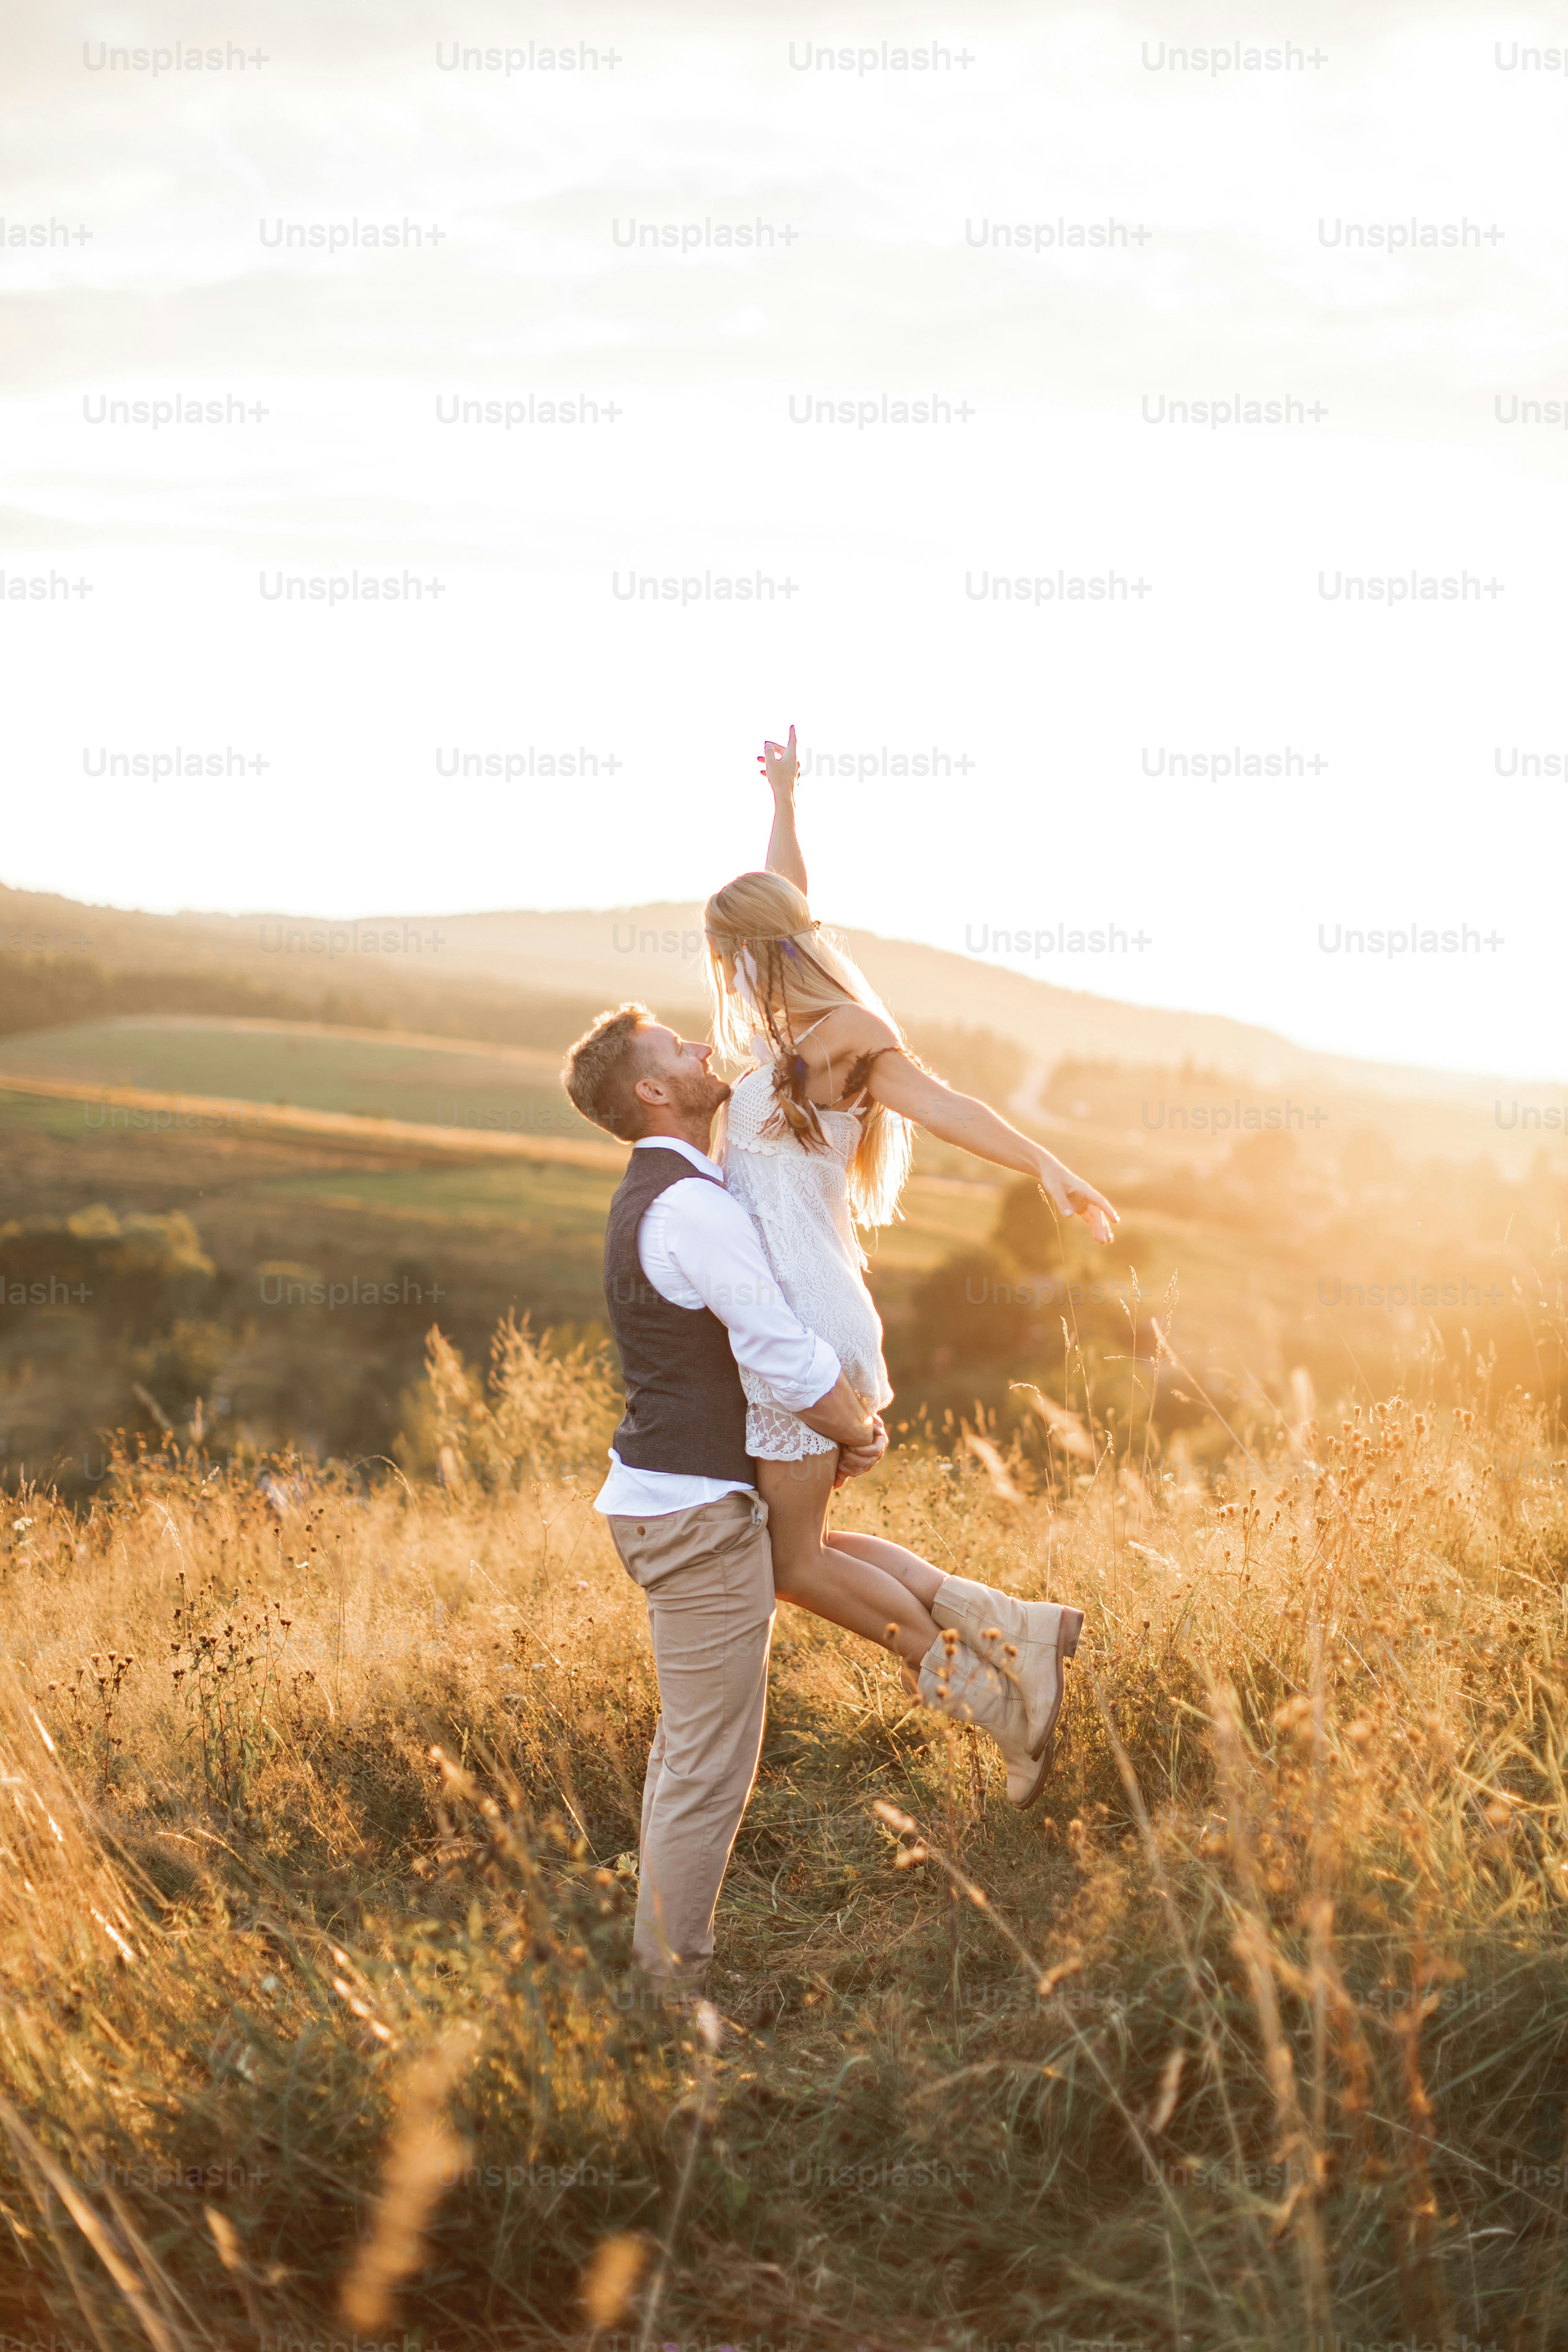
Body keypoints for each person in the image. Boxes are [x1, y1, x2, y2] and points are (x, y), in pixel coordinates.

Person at [702, 724, 1120, 1808]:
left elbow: (941, 1102)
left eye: (731, 957)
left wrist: (1044, 1161)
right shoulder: (783, 1027)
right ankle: (1012, 1630)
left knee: (791, 1562)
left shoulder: (840, 1033)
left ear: (749, 954)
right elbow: (786, 898)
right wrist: (786, 801)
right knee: (806, 1544)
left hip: (800, 1332)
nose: (727, 976)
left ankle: (1000, 1693)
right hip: (799, 1323)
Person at [563, 1005, 887, 1991]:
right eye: (677, 1050)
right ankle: (670, 2001)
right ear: (654, 1092)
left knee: (686, 1756)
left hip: (673, 1503)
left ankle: (990, 1640)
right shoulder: (692, 1208)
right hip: (694, 1518)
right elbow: (781, 1350)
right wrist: (856, 1427)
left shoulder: (667, 1194)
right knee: (708, 1768)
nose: (704, 1049)